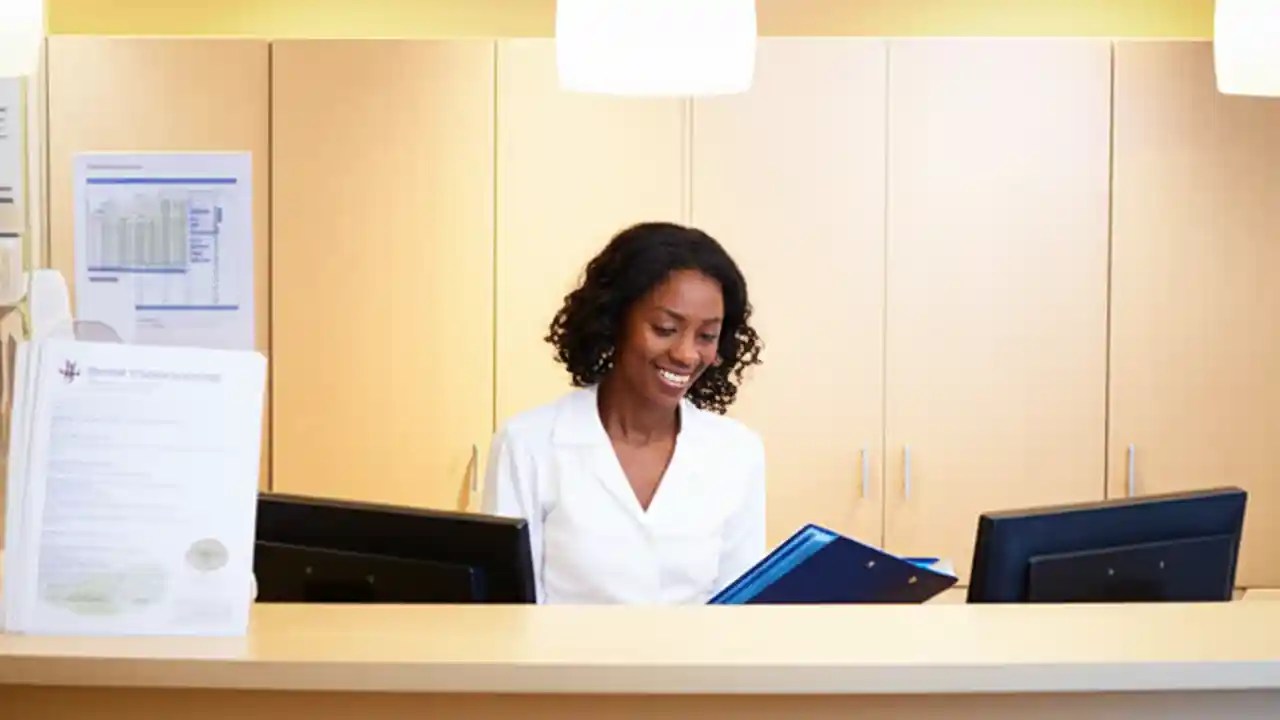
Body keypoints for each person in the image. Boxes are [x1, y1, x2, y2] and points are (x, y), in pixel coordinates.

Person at [482, 221, 767, 604]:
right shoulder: (528, 443)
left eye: (706, 336)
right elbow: (506, 613)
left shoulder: (737, 452)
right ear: (614, 320)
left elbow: (741, 613)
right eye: (665, 328)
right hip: (564, 647)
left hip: (697, 648)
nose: (686, 354)